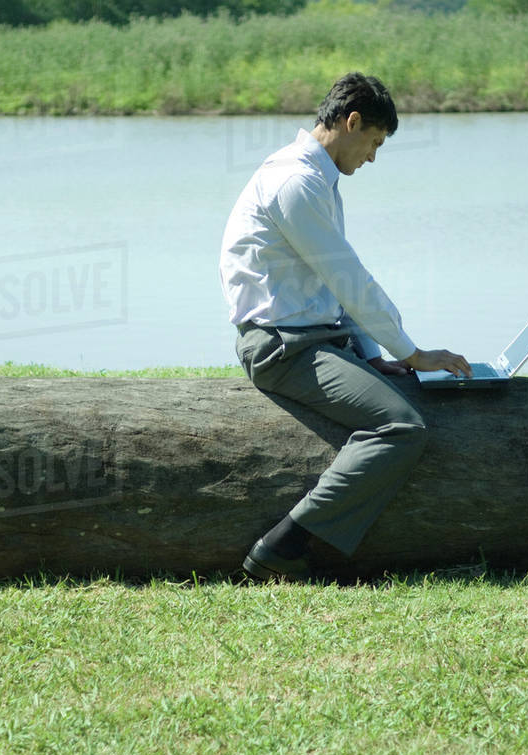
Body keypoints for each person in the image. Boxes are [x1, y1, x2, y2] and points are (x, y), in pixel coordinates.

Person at [218, 72, 471, 581]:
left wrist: (374, 353)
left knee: (409, 405)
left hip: (313, 338)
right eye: (374, 142)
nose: (373, 157)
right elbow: (349, 280)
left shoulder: (313, 178)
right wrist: (413, 353)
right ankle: (283, 545)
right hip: (283, 349)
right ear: (351, 122)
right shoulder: (296, 182)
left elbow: (332, 285)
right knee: (402, 426)